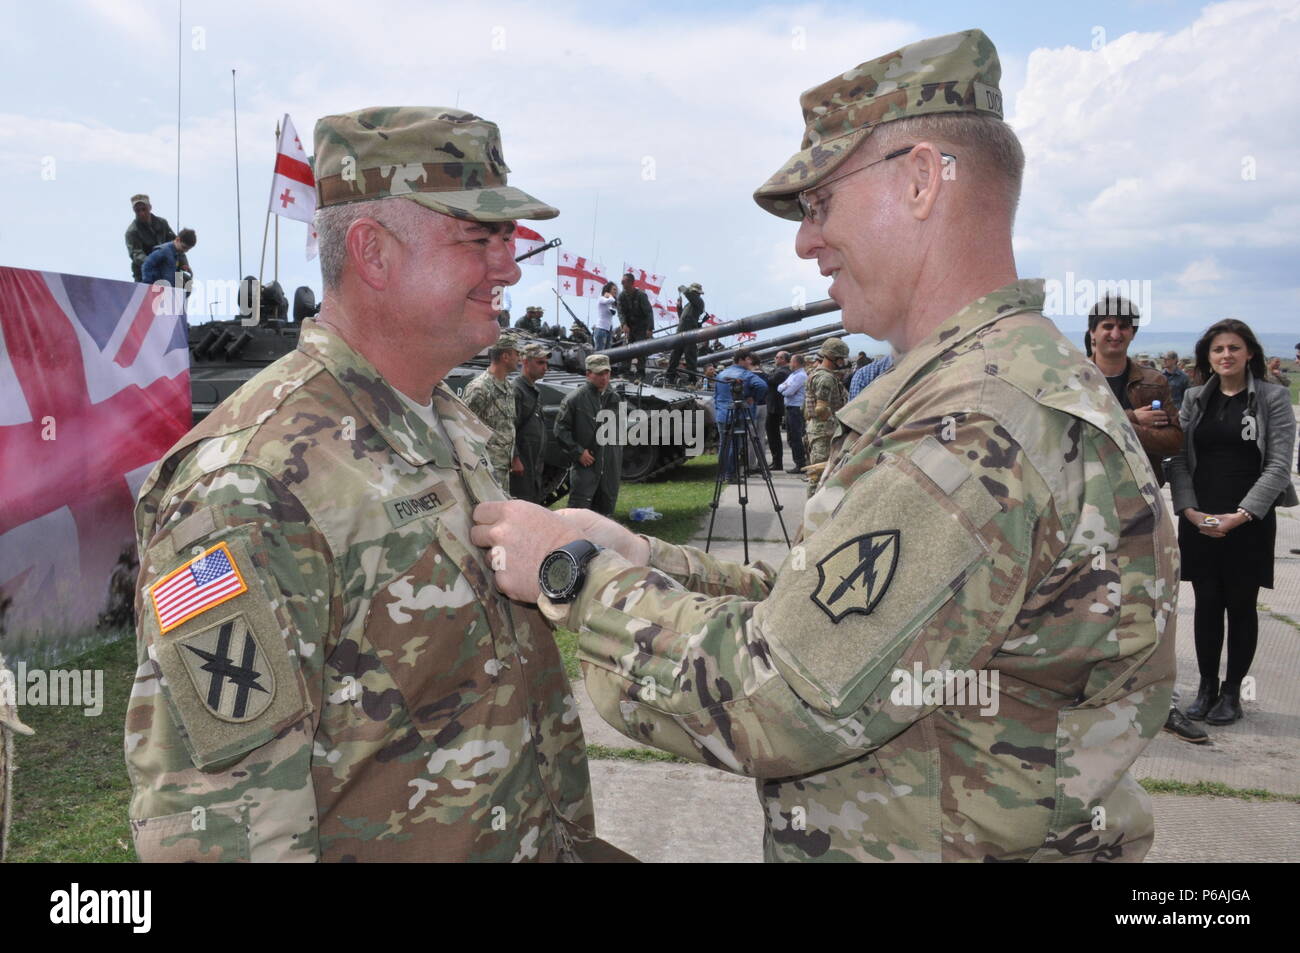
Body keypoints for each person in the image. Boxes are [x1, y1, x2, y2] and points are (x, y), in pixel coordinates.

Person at [471, 29, 1177, 863]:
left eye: (818, 205)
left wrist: (580, 579)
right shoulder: (990, 384)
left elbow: (780, 699)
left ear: (921, 181)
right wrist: (645, 556)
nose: (805, 242)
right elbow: (827, 606)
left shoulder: (975, 425)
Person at [124, 106, 598, 862]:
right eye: (482, 239)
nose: (509, 266)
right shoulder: (244, 488)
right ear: (373, 253)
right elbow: (224, 833)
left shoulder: (444, 424)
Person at [1167, 319, 1297, 727]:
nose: (1226, 355)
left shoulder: (1273, 398)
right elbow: (1179, 460)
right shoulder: (1193, 398)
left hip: (1249, 521)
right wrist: (1190, 511)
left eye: (1234, 348)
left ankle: (1231, 693)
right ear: (1208, 357)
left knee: (1240, 606)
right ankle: (1205, 688)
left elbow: (1278, 466)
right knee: (1206, 603)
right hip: (1200, 516)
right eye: (1218, 349)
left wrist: (1238, 517)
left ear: (1250, 354)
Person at [1084, 297, 1182, 486]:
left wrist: (1116, 423)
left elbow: (1174, 442)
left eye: (1123, 326)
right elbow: (1076, 433)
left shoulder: (1154, 382)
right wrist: (1131, 417)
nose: (1115, 333)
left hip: (1142, 490)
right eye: (1108, 326)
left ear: (1133, 333)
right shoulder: (1075, 379)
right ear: (1092, 333)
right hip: (1088, 490)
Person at [555, 354, 623, 515]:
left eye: (607, 373)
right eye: (599, 373)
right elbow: (560, 430)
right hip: (586, 465)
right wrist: (578, 452)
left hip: (609, 467)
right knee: (580, 514)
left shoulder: (614, 398)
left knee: (605, 514)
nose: (604, 378)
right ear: (588, 374)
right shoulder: (575, 399)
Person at [462, 333, 521, 490]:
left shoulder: (508, 387)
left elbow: (507, 426)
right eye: (517, 354)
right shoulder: (480, 388)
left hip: (502, 466)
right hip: (485, 469)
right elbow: (463, 428)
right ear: (505, 356)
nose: (519, 359)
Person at [803, 337, 849, 493]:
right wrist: (834, 422)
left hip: (819, 431)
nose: (843, 362)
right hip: (824, 432)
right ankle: (812, 511)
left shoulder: (817, 374)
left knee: (819, 473)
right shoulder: (826, 378)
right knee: (819, 474)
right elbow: (821, 410)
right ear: (833, 357)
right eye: (841, 358)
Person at [713, 350, 768, 481]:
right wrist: (752, 398)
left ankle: (721, 474)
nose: (750, 362)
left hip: (722, 412)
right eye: (749, 359)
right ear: (742, 360)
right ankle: (731, 474)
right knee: (735, 444)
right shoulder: (747, 374)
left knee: (723, 444)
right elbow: (763, 386)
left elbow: (716, 394)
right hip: (739, 413)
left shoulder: (721, 374)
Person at [511, 342, 550, 503]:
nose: (545, 367)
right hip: (522, 460)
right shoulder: (516, 389)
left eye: (546, 363)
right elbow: (508, 427)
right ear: (525, 362)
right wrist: (514, 459)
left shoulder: (534, 389)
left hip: (533, 460)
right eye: (540, 362)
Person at [125, 194, 185, 283]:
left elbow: (176, 245)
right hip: (146, 274)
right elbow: (136, 254)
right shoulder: (132, 232)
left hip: (168, 272)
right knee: (147, 295)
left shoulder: (162, 223)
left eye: (144, 209)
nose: (141, 213)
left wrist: (184, 264)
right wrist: (154, 262)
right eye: (137, 210)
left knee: (184, 284)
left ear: (150, 207)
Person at [617, 273, 654, 381]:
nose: (622, 284)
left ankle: (640, 373)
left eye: (624, 282)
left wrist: (649, 328)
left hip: (641, 327)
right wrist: (624, 324)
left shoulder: (641, 295)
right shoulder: (622, 296)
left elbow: (648, 312)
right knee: (627, 349)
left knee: (640, 350)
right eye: (622, 282)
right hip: (629, 327)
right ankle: (625, 372)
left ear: (631, 282)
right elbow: (620, 312)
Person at [667, 282, 704, 384]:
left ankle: (692, 380)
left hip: (690, 334)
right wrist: (679, 308)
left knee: (690, 358)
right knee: (674, 356)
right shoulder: (690, 304)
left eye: (694, 293)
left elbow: (688, 294)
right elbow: (683, 318)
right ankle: (669, 377)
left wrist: (682, 287)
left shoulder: (699, 302)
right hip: (680, 333)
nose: (694, 294)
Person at [778, 352, 807, 472]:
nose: (790, 363)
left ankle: (800, 464)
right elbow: (779, 387)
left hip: (796, 408)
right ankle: (799, 462)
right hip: (790, 408)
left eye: (791, 361)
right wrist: (784, 387)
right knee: (791, 437)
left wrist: (785, 388)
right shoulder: (793, 375)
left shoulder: (800, 376)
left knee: (796, 437)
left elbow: (787, 392)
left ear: (795, 363)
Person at [766, 350, 791, 469]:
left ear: (783, 359)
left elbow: (770, 380)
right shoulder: (781, 371)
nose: (775, 359)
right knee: (772, 435)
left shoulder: (783, 372)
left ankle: (777, 462)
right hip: (773, 406)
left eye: (778, 357)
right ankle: (776, 461)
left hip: (775, 407)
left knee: (773, 435)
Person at [593, 281, 618, 351]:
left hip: (608, 330)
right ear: (609, 290)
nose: (616, 291)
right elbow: (612, 299)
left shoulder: (611, 303)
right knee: (599, 352)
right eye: (614, 289)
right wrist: (609, 295)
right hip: (601, 329)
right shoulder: (601, 299)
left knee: (608, 352)